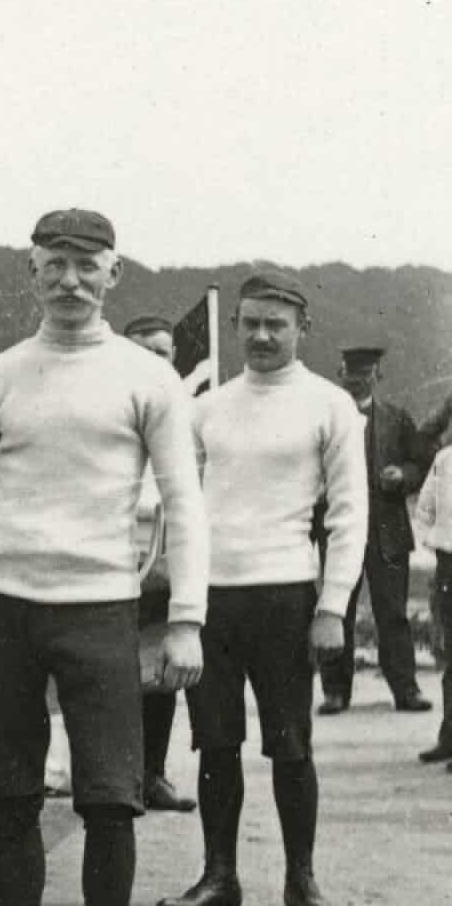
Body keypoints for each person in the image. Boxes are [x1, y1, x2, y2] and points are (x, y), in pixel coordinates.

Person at [0, 209, 209, 906]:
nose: (70, 282)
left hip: (101, 607)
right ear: (33, 271)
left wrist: (187, 619)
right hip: (1, 607)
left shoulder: (150, 379)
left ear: (114, 272)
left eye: (86, 266)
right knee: (11, 798)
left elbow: (184, 501)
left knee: (111, 799)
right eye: (55, 265)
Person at [156, 271, 365, 906]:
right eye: (250, 322)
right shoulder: (207, 408)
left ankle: (301, 881)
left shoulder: (332, 406)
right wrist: (179, 602)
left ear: (304, 328)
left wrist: (331, 607)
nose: (263, 335)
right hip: (212, 599)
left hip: (287, 597)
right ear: (236, 325)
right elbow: (180, 507)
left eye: (276, 323)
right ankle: (220, 877)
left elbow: (348, 514)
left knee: (290, 746)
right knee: (216, 745)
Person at [317, 346, 432, 714]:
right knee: (337, 610)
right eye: (352, 372)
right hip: (338, 529)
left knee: (393, 613)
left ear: (378, 375)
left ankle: (405, 689)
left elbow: (421, 464)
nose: (358, 379)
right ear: (340, 373)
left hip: (388, 529)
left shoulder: (397, 419)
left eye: (366, 373)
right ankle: (335, 691)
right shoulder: (326, 418)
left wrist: (403, 477)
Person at [121, 313, 196, 815]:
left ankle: (152, 775)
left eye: (162, 353)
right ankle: (112, 779)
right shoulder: (104, 415)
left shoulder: (185, 421)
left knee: (159, 680)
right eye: (140, 351)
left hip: (162, 575)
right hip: (104, 574)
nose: (151, 362)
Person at [412, 440, 452, 768]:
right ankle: (449, 738)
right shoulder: (444, 459)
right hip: (448, 565)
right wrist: (434, 540)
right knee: (451, 655)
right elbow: (424, 509)